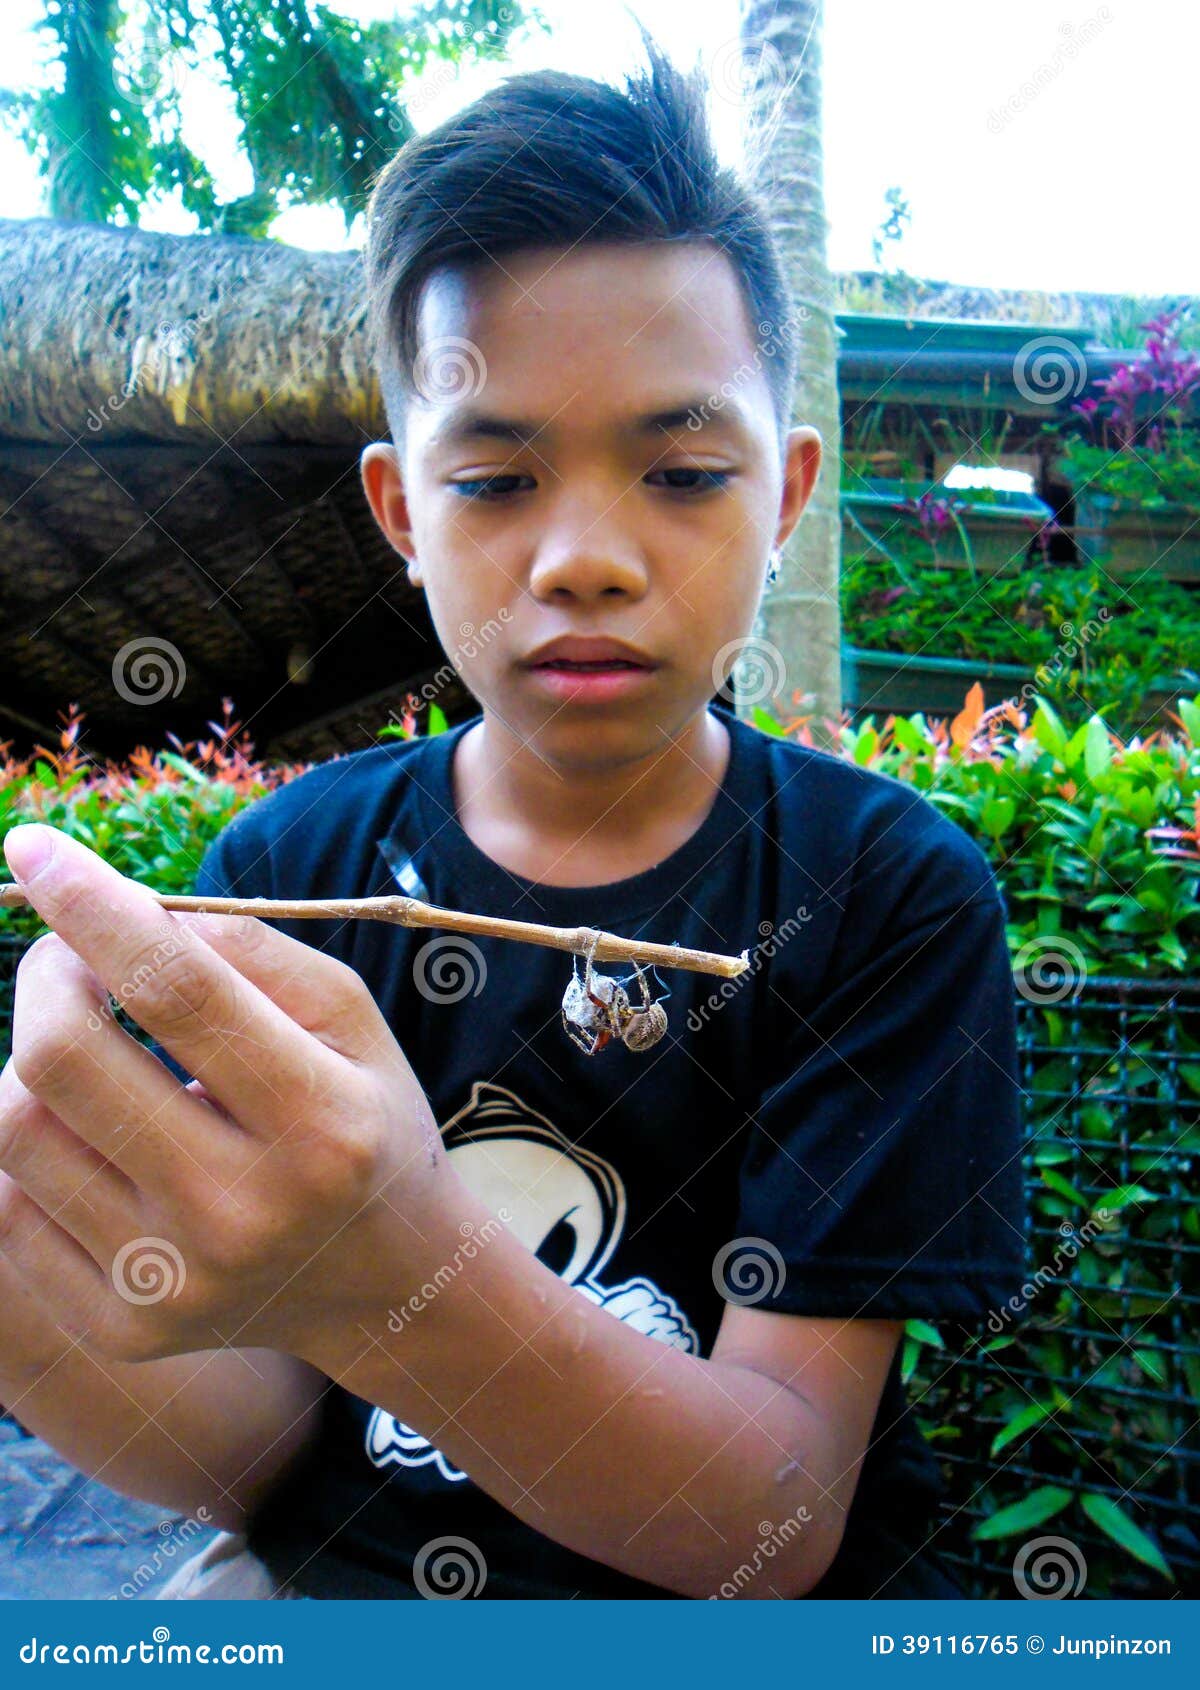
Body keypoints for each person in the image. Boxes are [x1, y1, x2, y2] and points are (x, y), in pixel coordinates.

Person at [0, 36, 1024, 1602]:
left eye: (683, 469)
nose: (585, 559)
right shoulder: (287, 873)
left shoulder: (885, 892)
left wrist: (398, 1260)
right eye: (495, 481)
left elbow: (765, 1527)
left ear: (789, 494)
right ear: (403, 514)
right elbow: (259, 1450)